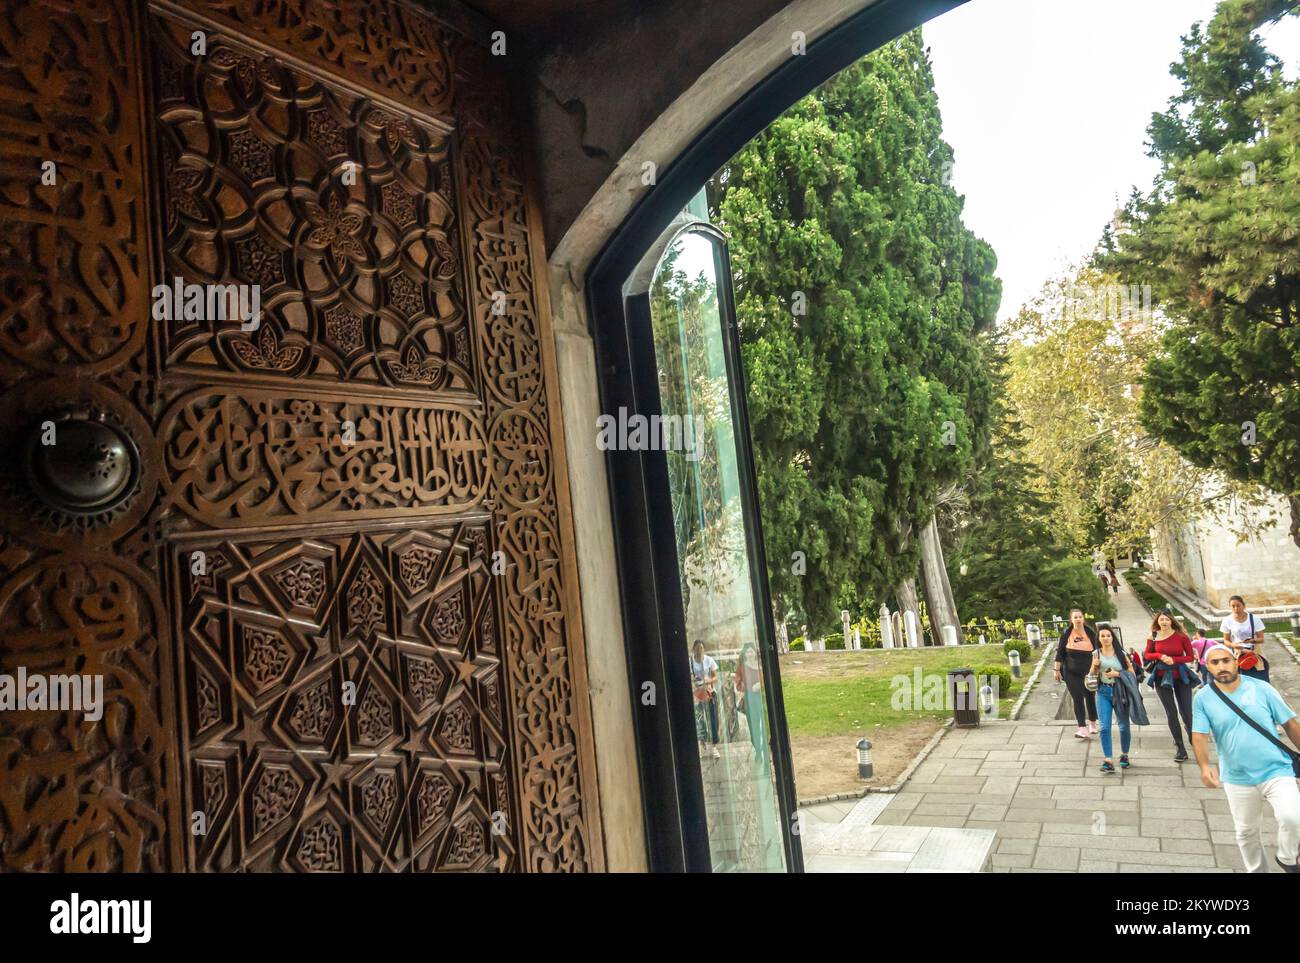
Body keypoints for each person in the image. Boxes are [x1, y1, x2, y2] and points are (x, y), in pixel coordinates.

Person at [1193, 644, 1300, 873]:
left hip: (1276, 769)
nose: (1222, 666)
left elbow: (1290, 724)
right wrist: (1204, 766)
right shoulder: (1203, 698)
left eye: (1226, 660)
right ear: (1207, 667)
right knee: (1246, 831)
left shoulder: (1262, 689)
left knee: (1293, 817)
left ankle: (1287, 857)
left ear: (1236, 661)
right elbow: (1199, 736)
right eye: (1215, 662)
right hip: (1237, 776)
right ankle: (1257, 871)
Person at [1091, 625, 1147, 772]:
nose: (1105, 638)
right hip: (1102, 692)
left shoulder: (1121, 654)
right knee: (1104, 727)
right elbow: (1091, 676)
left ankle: (1124, 755)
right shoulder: (1096, 654)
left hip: (1120, 693)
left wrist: (1118, 674)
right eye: (1102, 636)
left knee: (1123, 726)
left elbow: (1133, 675)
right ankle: (1108, 760)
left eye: (1108, 635)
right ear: (1098, 638)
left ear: (1112, 637)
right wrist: (1094, 668)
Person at [1144, 610, 1197, 762]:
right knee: (1171, 712)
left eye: (1167, 619)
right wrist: (1160, 656)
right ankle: (1180, 748)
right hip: (1161, 677)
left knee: (1186, 712)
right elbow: (1147, 655)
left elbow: (1190, 657)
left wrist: (1174, 660)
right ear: (1157, 621)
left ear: (1171, 621)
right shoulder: (1153, 636)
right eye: (1161, 620)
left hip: (1180, 676)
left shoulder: (1181, 636)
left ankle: (1192, 737)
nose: (1164, 622)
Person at [1054, 608, 1099, 739]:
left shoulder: (1090, 633)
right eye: (1075, 617)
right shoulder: (1067, 633)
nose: (1078, 619)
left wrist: (1096, 670)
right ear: (1071, 620)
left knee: (1090, 697)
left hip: (1089, 672)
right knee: (1077, 698)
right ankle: (1081, 728)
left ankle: (1092, 723)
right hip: (1071, 672)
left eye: (1080, 617)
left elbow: (1098, 653)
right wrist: (1056, 670)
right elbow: (1060, 653)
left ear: (1083, 619)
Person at [1220, 595, 1270, 683]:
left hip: (1254, 653)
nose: (1236, 608)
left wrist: (1252, 640)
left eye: (1238, 605)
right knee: (1242, 682)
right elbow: (1226, 641)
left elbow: (1261, 639)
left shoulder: (1254, 619)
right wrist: (1233, 645)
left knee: (1261, 681)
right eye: (1233, 606)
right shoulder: (1227, 620)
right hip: (1239, 654)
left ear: (1243, 605)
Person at [734, 643, 768, 763]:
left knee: (765, 725)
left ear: (755, 652)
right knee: (754, 727)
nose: (750, 653)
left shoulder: (761, 664)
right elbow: (738, 685)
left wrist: (761, 684)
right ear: (744, 653)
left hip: (762, 697)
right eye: (747, 651)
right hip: (750, 699)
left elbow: (767, 678)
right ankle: (758, 752)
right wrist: (748, 687)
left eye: (751, 651)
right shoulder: (742, 667)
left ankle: (767, 750)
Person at [690, 640, 721, 759]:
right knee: (700, 719)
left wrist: (708, 681)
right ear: (694, 650)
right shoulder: (691, 662)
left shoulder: (709, 660)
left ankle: (714, 745)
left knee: (713, 719)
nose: (700, 651)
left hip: (709, 691)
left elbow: (715, 676)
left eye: (701, 649)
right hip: (698, 693)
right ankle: (702, 742)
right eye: (697, 649)